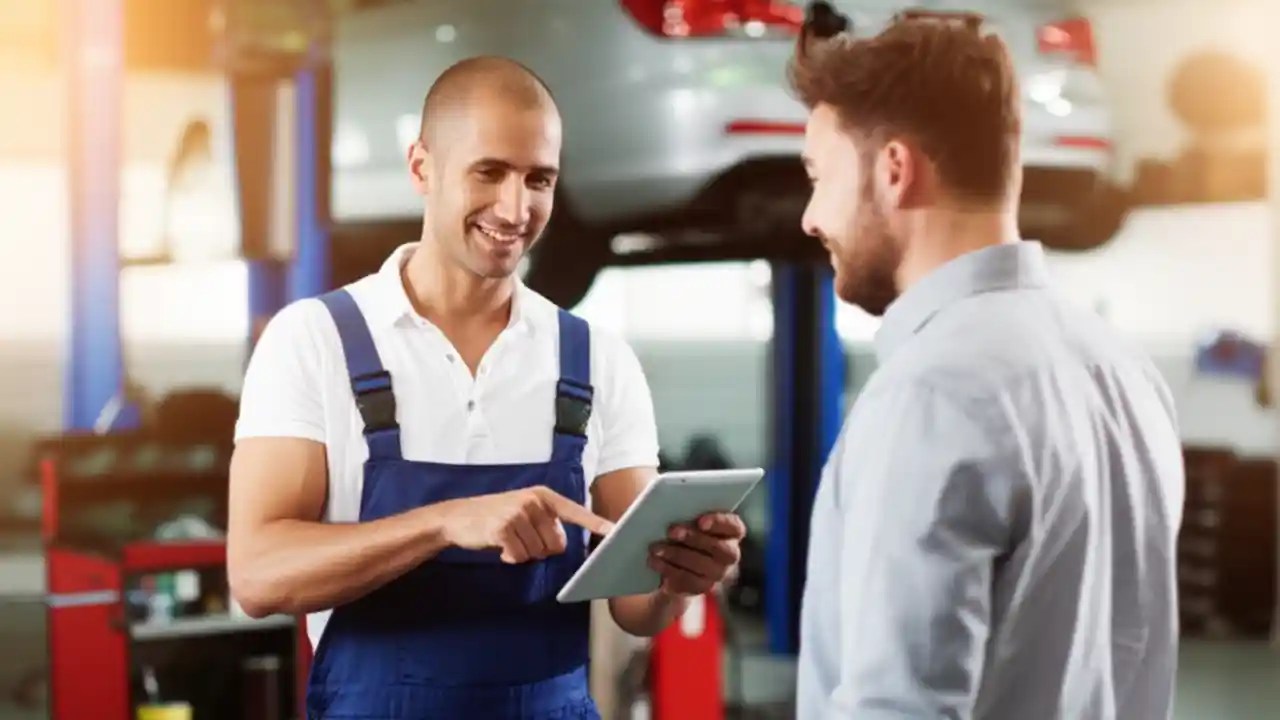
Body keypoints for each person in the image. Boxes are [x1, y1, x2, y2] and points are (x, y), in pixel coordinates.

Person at [226, 56, 746, 720]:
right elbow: (258, 575)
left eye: (539, 179)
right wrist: (445, 522)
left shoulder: (597, 362)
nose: (516, 207)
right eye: (489, 172)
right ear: (421, 167)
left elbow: (636, 606)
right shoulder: (313, 341)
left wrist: (681, 578)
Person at [788, 11, 1184, 720]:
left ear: (894, 170)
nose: (810, 218)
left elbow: (899, 707)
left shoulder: (932, 392)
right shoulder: (1124, 370)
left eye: (820, 177)